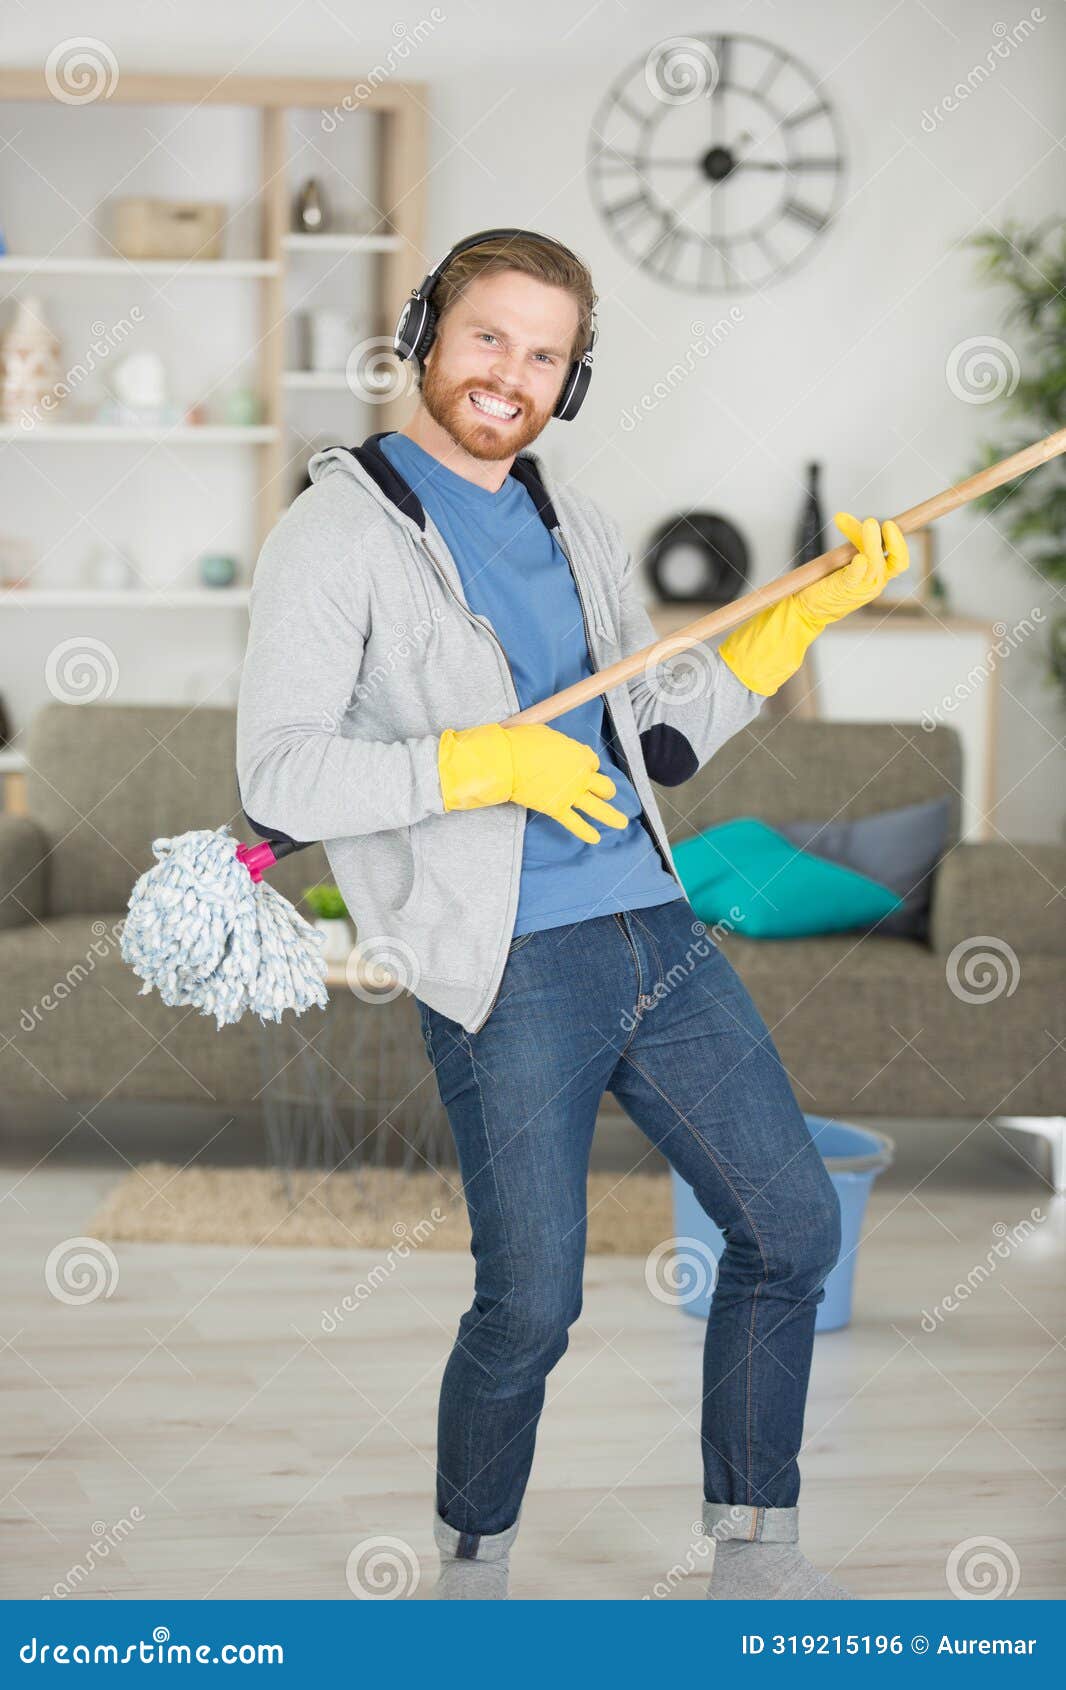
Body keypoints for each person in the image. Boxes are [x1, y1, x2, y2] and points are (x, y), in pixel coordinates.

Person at [236, 228, 908, 1601]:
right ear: (428, 330)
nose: (512, 374)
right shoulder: (337, 531)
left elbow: (651, 749)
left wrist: (790, 629)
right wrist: (478, 762)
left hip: (656, 930)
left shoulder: (572, 520)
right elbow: (277, 774)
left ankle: (753, 1545)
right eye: (488, 336)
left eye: (545, 354)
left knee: (791, 1232)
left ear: (571, 381)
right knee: (532, 1302)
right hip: (509, 964)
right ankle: (470, 1564)